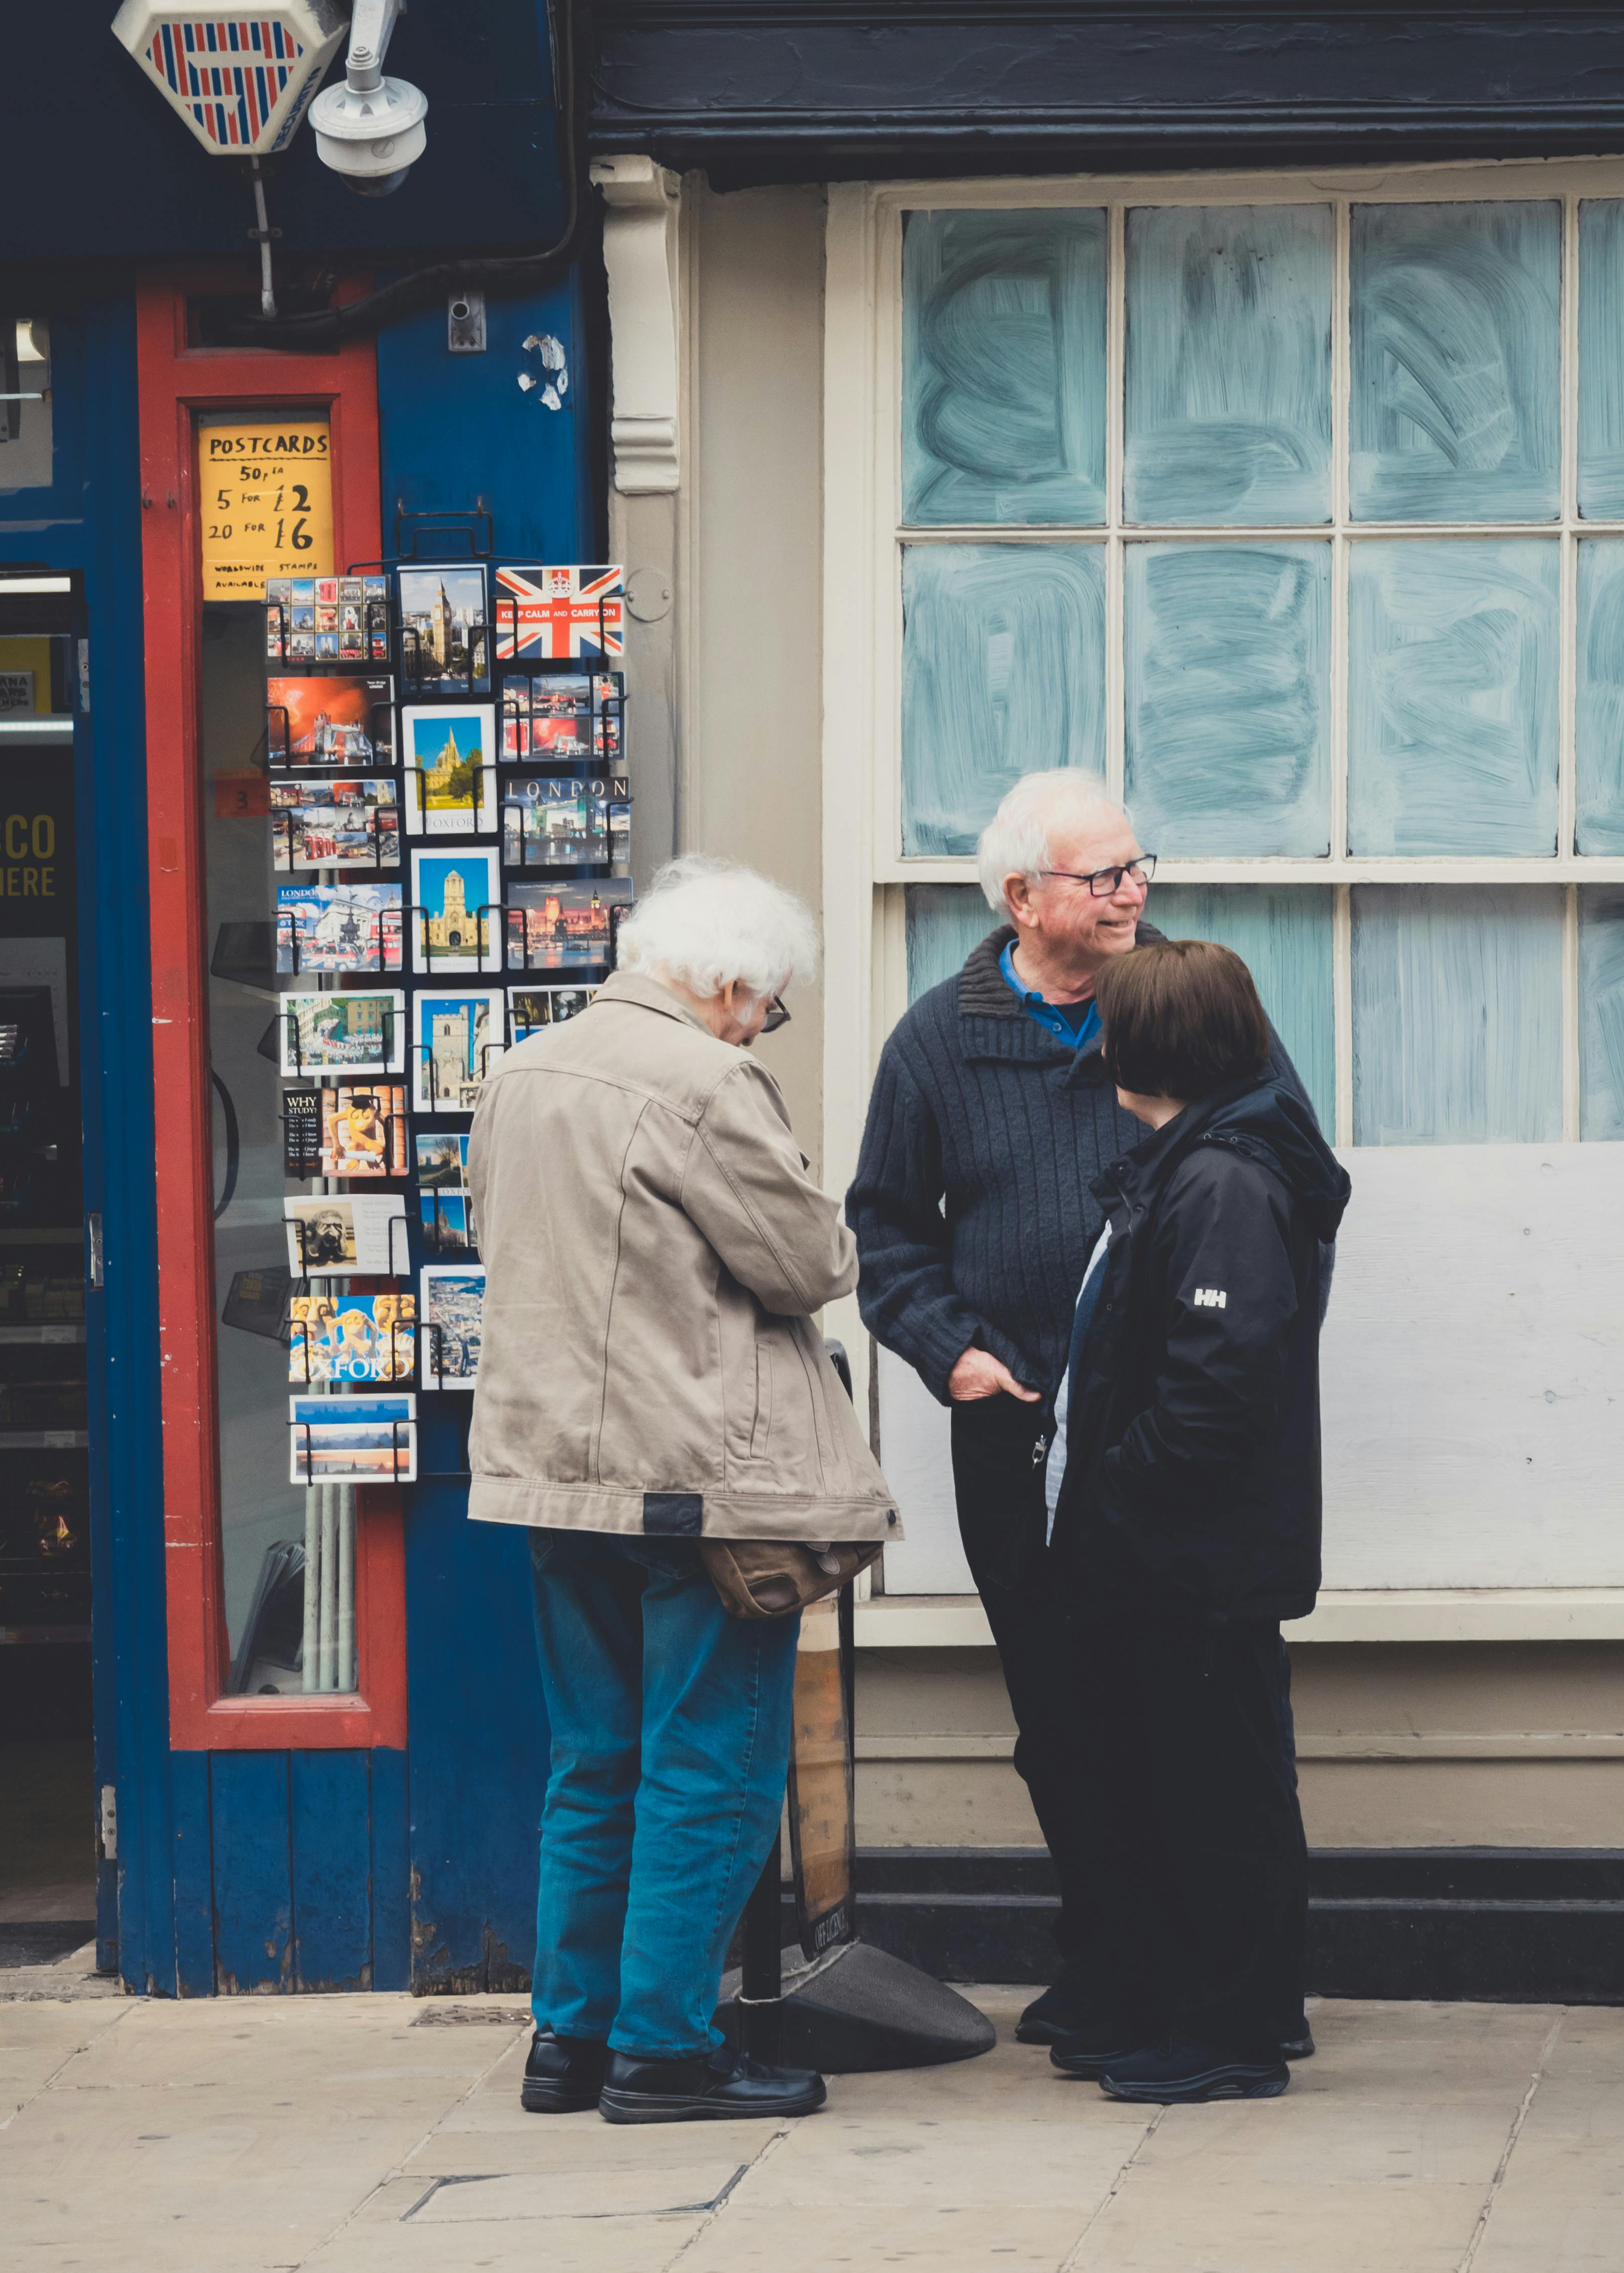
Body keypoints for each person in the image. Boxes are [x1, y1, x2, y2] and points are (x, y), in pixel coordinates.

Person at [468, 856, 899, 2126]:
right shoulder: (707, 1080)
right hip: (693, 1480)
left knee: (592, 1760)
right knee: (709, 1762)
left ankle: (571, 2041)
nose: (763, 1028)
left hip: (549, 1472)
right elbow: (809, 1261)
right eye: (766, 1008)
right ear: (724, 985)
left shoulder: (520, 1067)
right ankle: (665, 2047)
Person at [847, 768, 1158, 2043]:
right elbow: (881, 1233)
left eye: (1139, 867)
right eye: (1105, 875)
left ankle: (1192, 1969)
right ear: (1023, 899)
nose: (1134, 890)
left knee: (1171, 1697)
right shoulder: (936, 1038)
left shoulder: (1180, 1004)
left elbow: (1290, 1169)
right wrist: (956, 1355)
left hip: (1158, 1429)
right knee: (1057, 1704)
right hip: (1012, 1429)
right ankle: (1103, 1957)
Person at [1046, 938, 1351, 2103]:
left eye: (1110, 1022)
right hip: (1174, 1555)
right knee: (1190, 1781)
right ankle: (1206, 2007)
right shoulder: (1190, 1162)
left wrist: (1118, 1493)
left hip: (1194, 1560)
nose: (1096, 1037)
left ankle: (1230, 2033)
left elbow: (1216, 1387)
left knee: (1218, 1794)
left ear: (1152, 1044)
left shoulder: (1223, 1181)